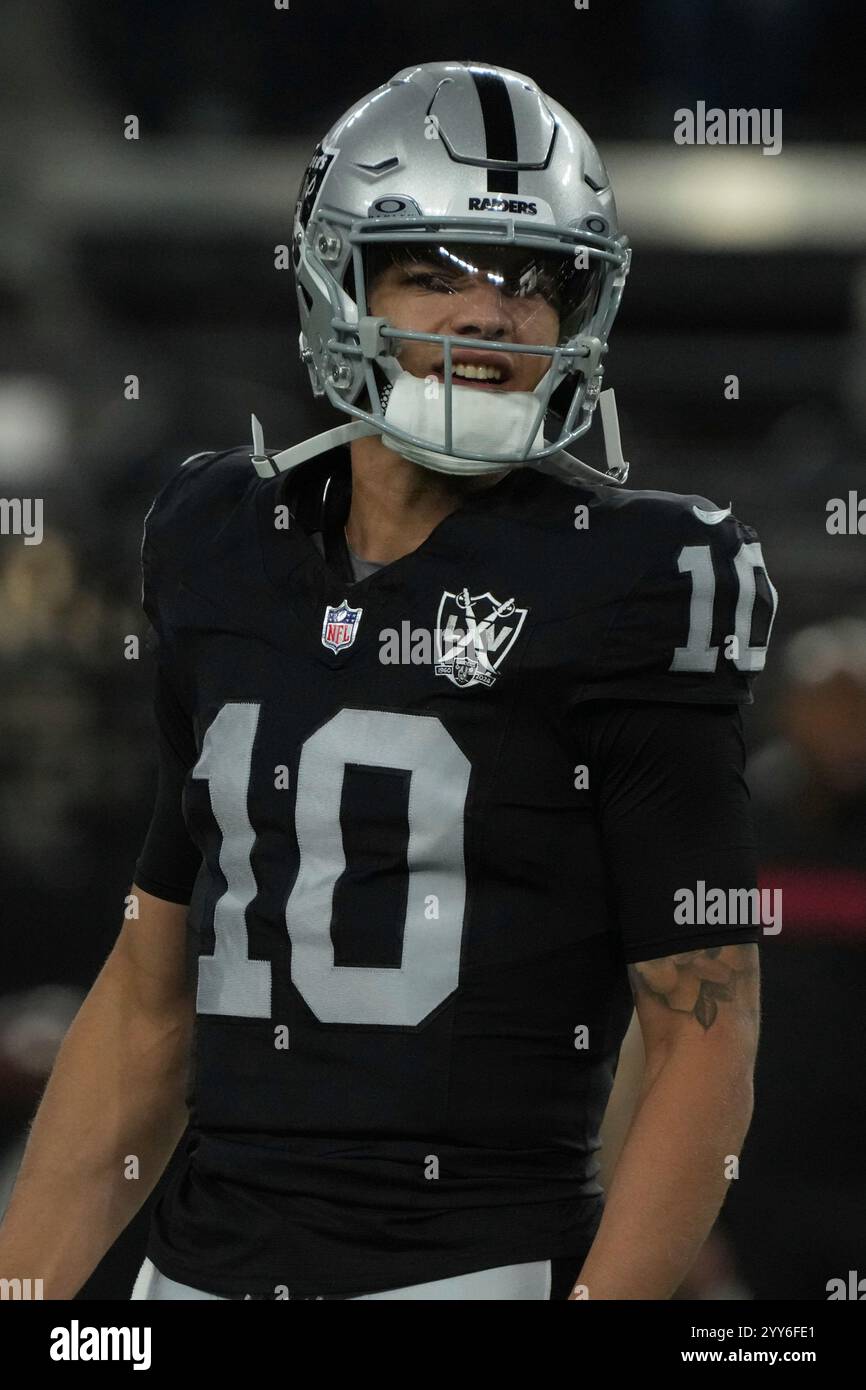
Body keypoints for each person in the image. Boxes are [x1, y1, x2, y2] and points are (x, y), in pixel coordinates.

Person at [0, 60, 777, 1303]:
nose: (489, 317)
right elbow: (152, 988)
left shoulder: (636, 577)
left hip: (468, 1270)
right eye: (435, 267)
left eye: (536, 283)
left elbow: (702, 1029)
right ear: (337, 278)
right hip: (197, 1272)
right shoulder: (216, 536)